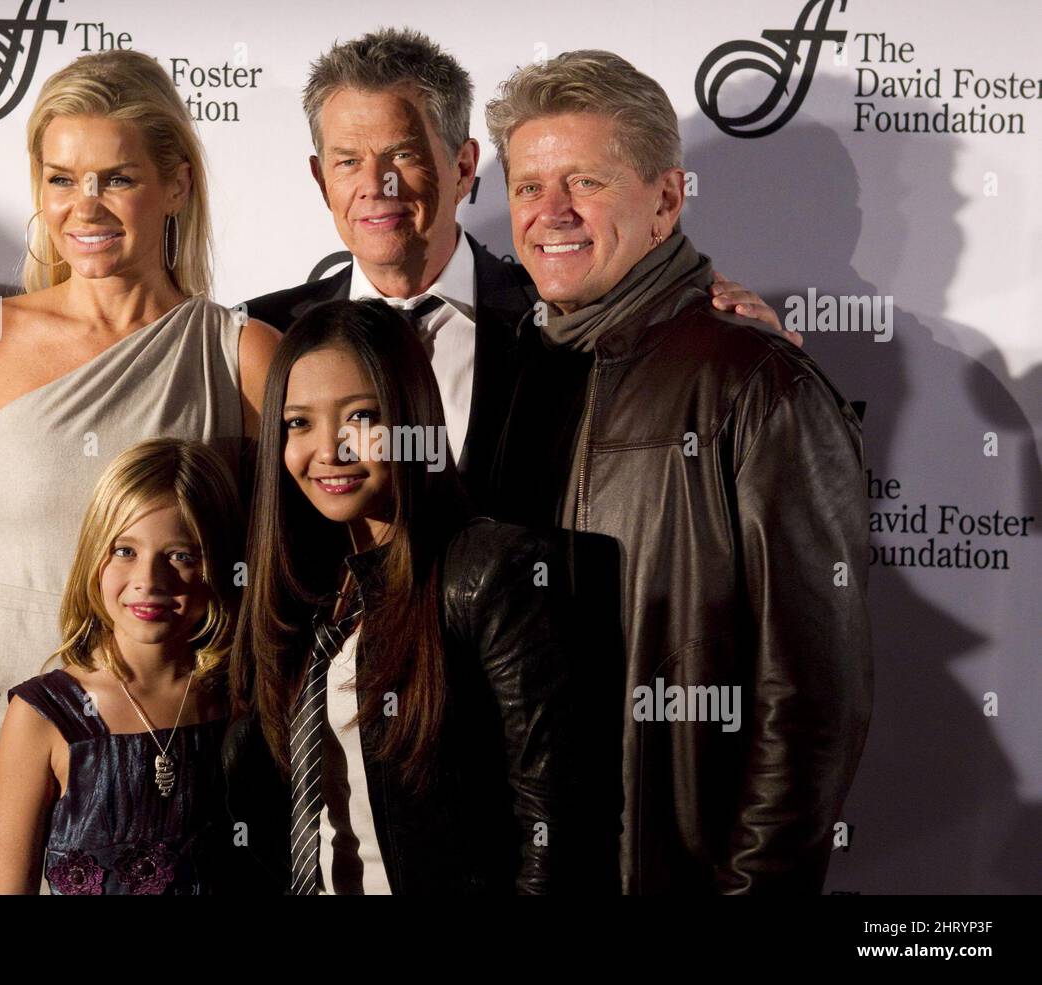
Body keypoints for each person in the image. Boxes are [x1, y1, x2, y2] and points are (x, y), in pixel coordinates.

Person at [0, 49, 279, 893]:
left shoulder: (238, 352)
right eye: (61, 179)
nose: (84, 207)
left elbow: (307, 537)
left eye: (116, 178)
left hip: (163, 741)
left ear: (177, 184)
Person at [484, 50, 872, 894]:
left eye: (583, 182)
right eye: (526, 187)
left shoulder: (756, 379)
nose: (550, 214)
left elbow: (811, 698)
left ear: (664, 199)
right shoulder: (514, 372)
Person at [243, 28, 793, 511]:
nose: (374, 184)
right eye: (347, 161)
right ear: (320, 180)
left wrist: (748, 357)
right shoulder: (262, 337)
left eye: (403, 155)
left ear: (462, 168)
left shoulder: (569, 321)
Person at [225, 299, 578, 894]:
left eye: (361, 417)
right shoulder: (303, 592)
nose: (329, 449)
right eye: (298, 423)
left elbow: (554, 829)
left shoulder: (489, 573)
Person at [0, 438, 242, 895]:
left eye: (181, 556)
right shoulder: (44, 713)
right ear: (94, 558)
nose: (149, 581)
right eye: (125, 551)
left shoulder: (241, 696)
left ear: (218, 565)